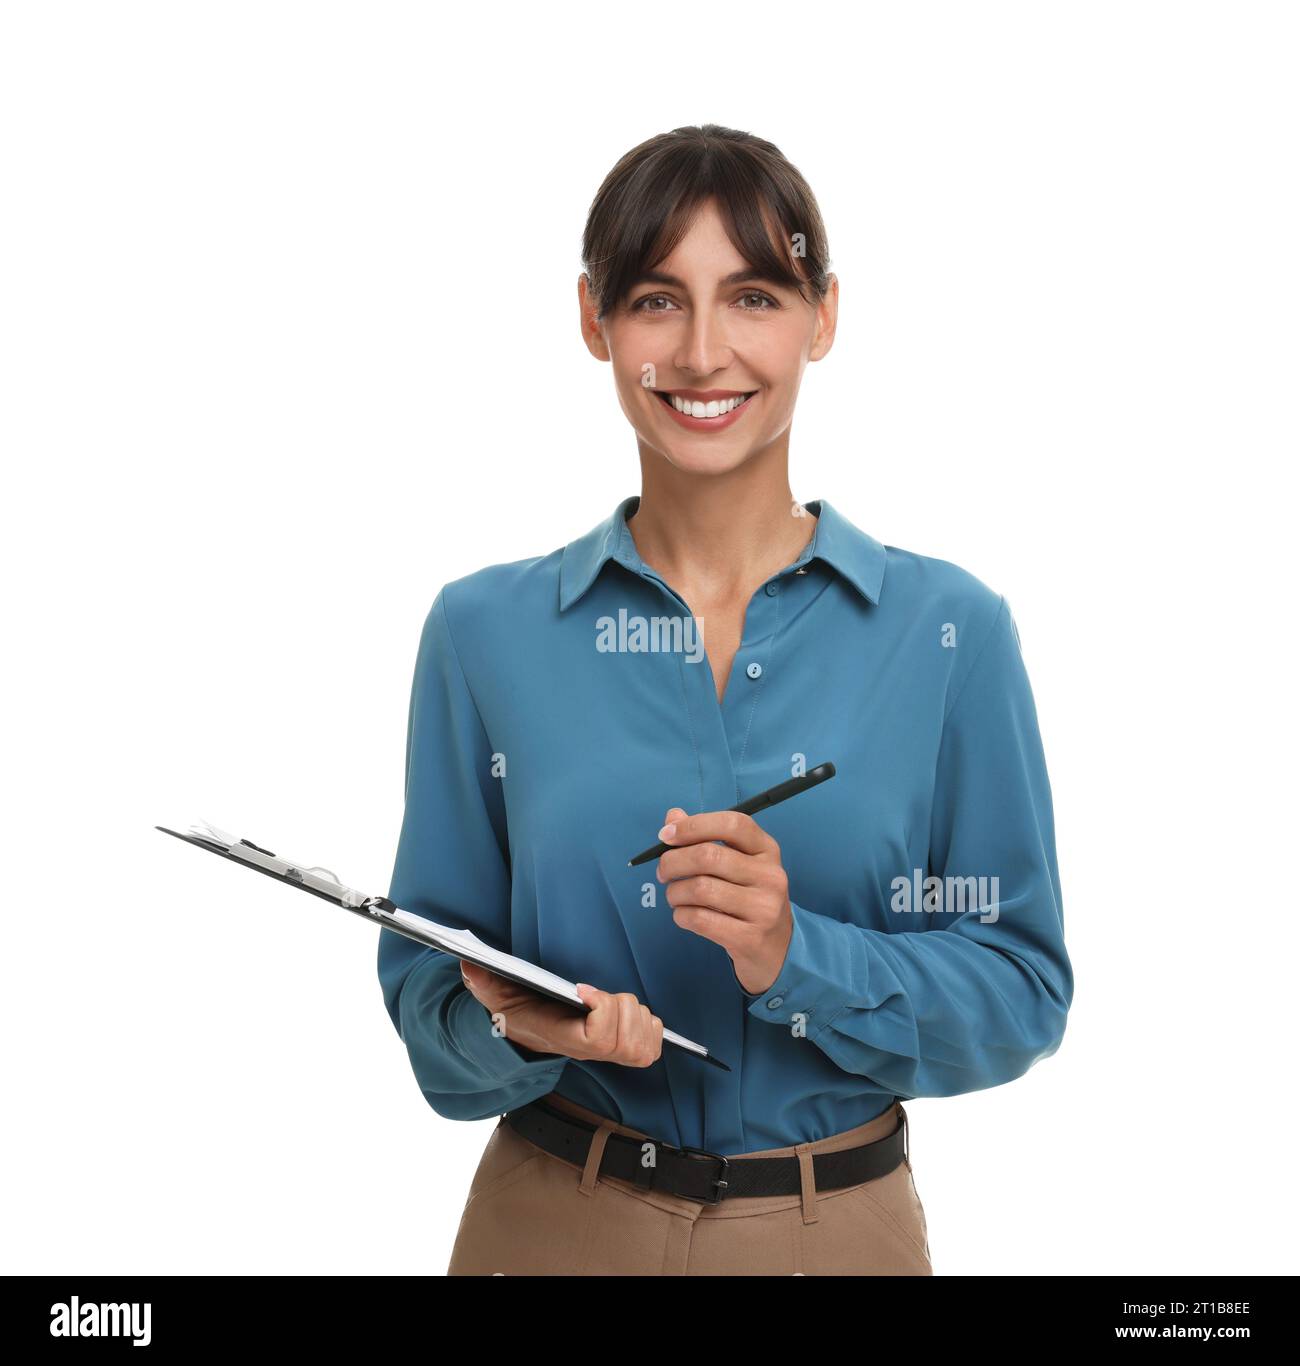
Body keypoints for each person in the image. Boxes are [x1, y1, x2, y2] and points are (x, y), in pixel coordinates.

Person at [377, 123, 1073, 1276]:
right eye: (657, 301)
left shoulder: (950, 634)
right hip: (551, 1224)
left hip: (834, 1234)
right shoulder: (480, 632)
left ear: (823, 316)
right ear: (593, 319)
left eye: (753, 296)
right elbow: (424, 994)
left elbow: (1022, 993)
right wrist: (517, 1026)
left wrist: (797, 954)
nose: (703, 354)